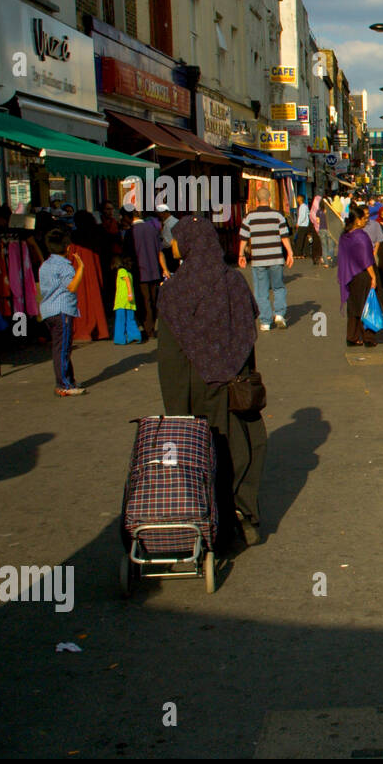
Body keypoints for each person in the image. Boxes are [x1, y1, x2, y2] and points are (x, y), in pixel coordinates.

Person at [158, 216, 268, 547]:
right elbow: (247, 334)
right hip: (232, 384)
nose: (172, 245)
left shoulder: (174, 291)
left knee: (200, 457)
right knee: (241, 449)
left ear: (189, 243)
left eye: (175, 239)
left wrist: (176, 409)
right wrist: (244, 376)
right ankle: (241, 516)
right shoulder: (234, 282)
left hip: (192, 388)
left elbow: (170, 356)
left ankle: (202, 521)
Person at [38, 228, 87, 397]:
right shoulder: (65, 267)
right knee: (63, 348)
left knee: (61, 346)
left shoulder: (45, 265)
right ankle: (64, 384)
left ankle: (69, 380)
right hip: (62, 310)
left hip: (48, 310)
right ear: (66, 247)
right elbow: (72, 286)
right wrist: (81, 267)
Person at [239, 186, 294, 331]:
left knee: (261, 291)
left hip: (259, 260)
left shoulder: (249, 217)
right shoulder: (278, 216)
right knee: (278, 287)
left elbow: (243, 238)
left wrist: (241, 255)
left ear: (257, 201)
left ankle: (265, 321)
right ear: (269, 199)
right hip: (276, 258)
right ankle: (280, 314)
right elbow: (284, 236)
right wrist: (290, 253)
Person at [338, 205, 379, 348]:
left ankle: (352, 336)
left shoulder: (345, 236)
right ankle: (368, 337)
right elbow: (367, 259)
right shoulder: (361, 236)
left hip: (350, 275)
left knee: (353, 307)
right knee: (367, 306)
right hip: (362, 275)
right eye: (363, 219)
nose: (365, 221)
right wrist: (373, 277)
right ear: (357, 220)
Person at [68, 211, 109, 342]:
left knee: (81, 300)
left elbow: (70, 255)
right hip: (94, 269)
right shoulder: (97, 234)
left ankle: (83, 328)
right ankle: (98, 328)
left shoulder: (74, 236)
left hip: (78, 270)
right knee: (95, 298)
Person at [130, 207, 169, 338]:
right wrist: (165, 269)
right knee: (153, 299)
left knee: (144, 300)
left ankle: (148, 328)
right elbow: (160, 252)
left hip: (140, 272)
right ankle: (152, 324)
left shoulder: (131, 232)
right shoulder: (153, 229)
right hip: (154, 270)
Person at [112, 253, 141, 345]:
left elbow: (127, 282)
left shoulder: (121, 271)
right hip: (130, 301)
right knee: (130, 319)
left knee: (120, 320)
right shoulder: (129, 273)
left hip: (122, 300)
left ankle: (120, 339)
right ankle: (135, 336)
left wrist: (129, 294)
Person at [158, 204, 179, 273]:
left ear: (164, 213)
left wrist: (160, 244)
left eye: (160, 213)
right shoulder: (176, 221)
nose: (159, 216)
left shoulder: (168, 225)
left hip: (170, 252)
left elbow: (167, 243)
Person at [293, 194, 314, 259]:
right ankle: (304, 253)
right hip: (306, 225)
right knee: (304, 240)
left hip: (302, 225)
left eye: (298, 198)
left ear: (300, 199)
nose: (297, 199)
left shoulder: (302, 206)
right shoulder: (305, 206)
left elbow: (302, 216)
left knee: (300, 240)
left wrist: (298, 223)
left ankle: (298, 254)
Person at [306, 195, 325, 266]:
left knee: (315, 244)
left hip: (314, 230)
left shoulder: (312, 211)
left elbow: (311, 221)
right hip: (320, 229)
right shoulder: (320, 210)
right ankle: (319, 257)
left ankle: (315, 258)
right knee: (320, 244)